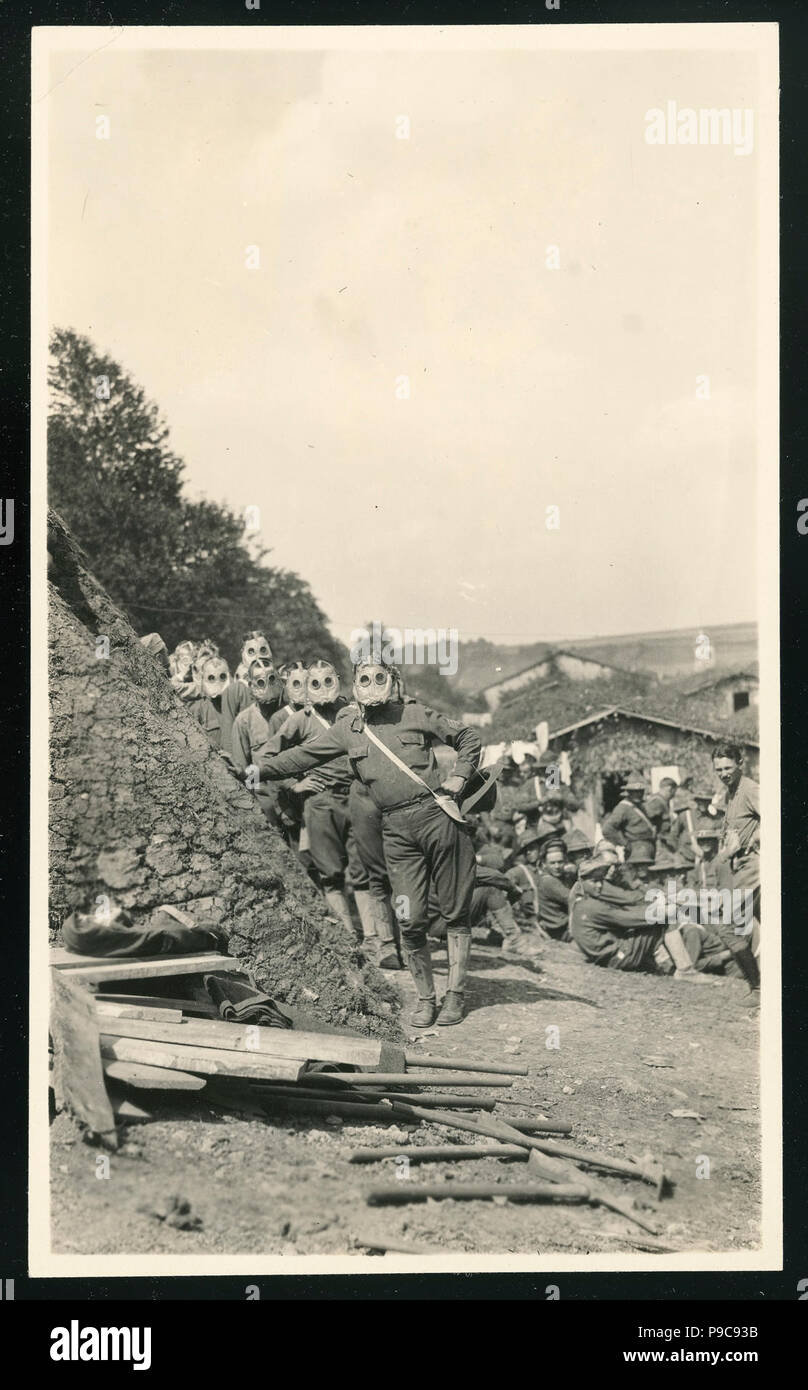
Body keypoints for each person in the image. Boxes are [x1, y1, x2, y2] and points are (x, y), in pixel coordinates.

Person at [253, 656, 482, 1027]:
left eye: (380, 677)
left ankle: (454, 996)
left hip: (437, 818)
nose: (372, 683)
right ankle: (426, 999)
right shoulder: (349, 729)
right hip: (396, 831)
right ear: (354, 684)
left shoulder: (414, 713)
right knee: (409, 915)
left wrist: (460, 776)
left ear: (391, 680)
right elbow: (299, 757)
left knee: (455, 911)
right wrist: (257, 768)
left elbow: (468, 736)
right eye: (365, 677)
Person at [262, 659, 368, 937]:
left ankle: (378, 940)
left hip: (357, 798)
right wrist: (293, 784)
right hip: (320, 801)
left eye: (328, 681)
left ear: (338, 680)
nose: (322, 689)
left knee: (364, 870)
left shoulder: (351, 713)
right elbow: (267, 756)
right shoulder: (299, 720)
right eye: (315, 683)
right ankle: (347, 935)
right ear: (308, 688)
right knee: (329, 873)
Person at [712, 742, 760, 1006]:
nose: (723, 773)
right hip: (741, 869)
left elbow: (778, 816)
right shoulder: (731, 791)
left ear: (740, 764)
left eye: (728, 767)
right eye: (719, 769)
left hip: (753, 868)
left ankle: (759, 989)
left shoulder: (751, 790)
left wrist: (757, 836)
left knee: (727, 927)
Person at [230, 658, 285, 825]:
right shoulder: (244, 721)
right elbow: (243, 769)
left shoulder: (289, 714)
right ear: (251, 685)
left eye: (271, 679)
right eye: (260, 682)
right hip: (265, 800)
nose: (267, 686)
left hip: (292, 794)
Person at [189, 655, 251, 751]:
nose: (217, 682)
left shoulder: (241, 704)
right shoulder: (197, 709)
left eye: (222, 677)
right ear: (203, 678)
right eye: (211, 678)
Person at [601, 776, 656, 859]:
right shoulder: (623, 808)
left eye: (641, 791)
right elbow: (607, 829)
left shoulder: (640, 806)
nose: (638, 794)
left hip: (649, 846)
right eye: (635, 791)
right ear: (628, 792)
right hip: (636, 849)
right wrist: (625, 843)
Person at [536, 839, 572, 940]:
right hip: (560, 931)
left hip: (563, 926)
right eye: (552, 863)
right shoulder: (548, 881)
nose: (557, 867)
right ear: (544, 864)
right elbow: (574, 898)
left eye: (560, 862)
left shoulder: (560, 877)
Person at [643, 777, 679, 852]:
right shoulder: (657, 802)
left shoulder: (663, 801)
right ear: (670, 789)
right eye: (674, 791)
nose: (674, 795)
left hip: (662, 842)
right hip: (658, 843)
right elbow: (646, 820)